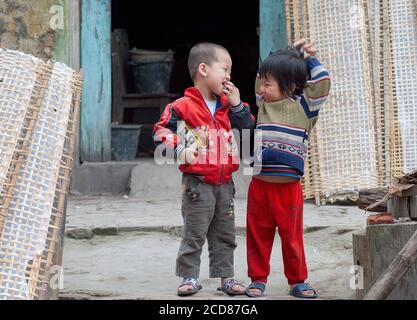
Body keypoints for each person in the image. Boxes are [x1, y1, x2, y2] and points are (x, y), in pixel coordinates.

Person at [153, 42, 254, 296]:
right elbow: (161, 131)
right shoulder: (181, 106)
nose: (229, 76)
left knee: (225, 234)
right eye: (225, 69)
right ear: (204, 69)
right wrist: (178, 149)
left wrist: (238, 104)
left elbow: (248, 131)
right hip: (197, 184)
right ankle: (189, 277)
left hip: (225, 184)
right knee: (194, 233)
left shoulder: (228, 106)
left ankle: (226, 279)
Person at [245, 39, 331, 298]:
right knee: (257, 235)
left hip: (288, 189)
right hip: (259, 186)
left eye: (268, 83)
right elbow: (262, 73)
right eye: (262, 83)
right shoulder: (263, 105)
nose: (262, 87)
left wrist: (308, 59)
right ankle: (258, 280)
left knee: (291, 238)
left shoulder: (304, 108)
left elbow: (323, 84)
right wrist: (286, 53)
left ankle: (297, 281)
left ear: (290, 85)